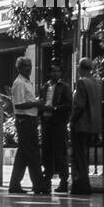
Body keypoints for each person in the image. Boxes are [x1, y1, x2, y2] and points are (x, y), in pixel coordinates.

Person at [8, 55, 48, 195]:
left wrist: (37, 102)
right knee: (32, 153)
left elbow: (28, 100)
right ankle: (39, 185)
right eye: (26, 66)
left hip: (30, 120)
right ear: (19, 68)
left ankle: (14, 184)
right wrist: (36, 103)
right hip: (24, 121)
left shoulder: (27, 82)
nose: (29, 69)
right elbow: (19, 104)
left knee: (23, 154)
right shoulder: (19, 83)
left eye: (30, 66)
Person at [70, 57, 103, 195]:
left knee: (78, 156)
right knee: (83, 155)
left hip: (81, 124)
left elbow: (79, 106)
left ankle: (81, 185)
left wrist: (72, 120)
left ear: (80, 68)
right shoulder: (97, 83)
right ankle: (84, 184)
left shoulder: (81, 82)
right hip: (93, 124)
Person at [40, 61, 72, 193]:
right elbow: (41, 101)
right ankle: (46, 181)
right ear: (49, 72)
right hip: (46, 123)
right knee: (47, 152)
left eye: (58, 71)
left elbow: (69, 105)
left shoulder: (64, 87)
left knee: (60, 153)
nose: (56, 73)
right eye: (53, 71)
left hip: (58, 123)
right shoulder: (45, 87)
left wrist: (54, 108)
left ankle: (63, 181)